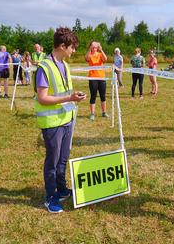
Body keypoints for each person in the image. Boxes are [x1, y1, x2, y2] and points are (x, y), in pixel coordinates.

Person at [34, 27, 87, 213]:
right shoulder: (44, 67)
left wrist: (75, 96)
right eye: (73, 47)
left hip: (67, 119)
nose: (74, 51)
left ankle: (61, 188)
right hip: (52, 123)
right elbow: (42, 98)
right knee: (53, 161)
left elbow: (64, 91)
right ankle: (50, 197)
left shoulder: (65, 65)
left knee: (63, 158)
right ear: (63, 46)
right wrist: (69, 98)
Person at [85, 41, 108, 121]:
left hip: (101, 77)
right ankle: (92, 113)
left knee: (103, 96)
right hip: (92, 78)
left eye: (96, 47)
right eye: (93, 47)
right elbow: (87, 58)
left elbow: (105, 59)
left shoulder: (100, 54)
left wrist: (101, 50)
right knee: (93, 96)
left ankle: (104, 112)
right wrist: (90, 49)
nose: (95, 48)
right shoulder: (89, 54)